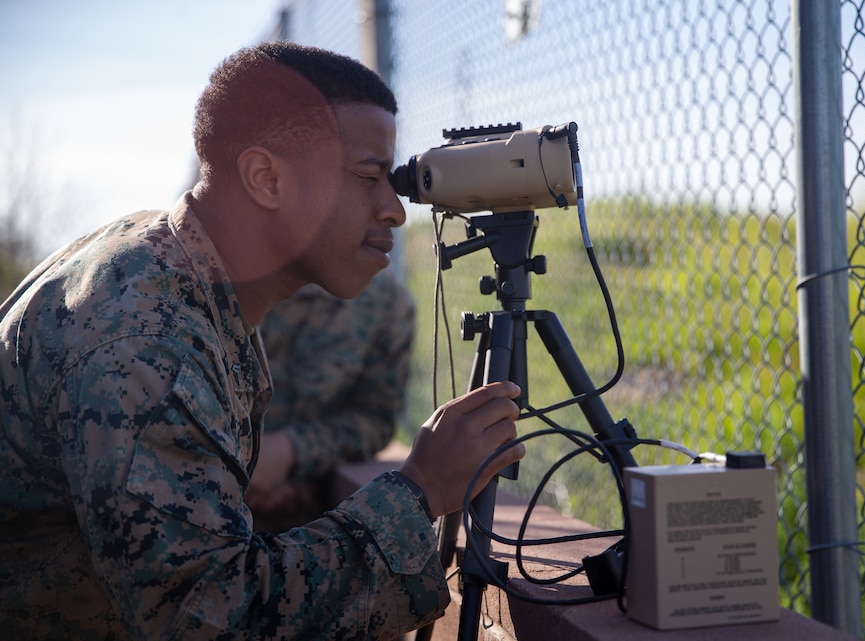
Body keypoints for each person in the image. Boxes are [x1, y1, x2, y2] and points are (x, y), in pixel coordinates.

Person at [0, 41, 524, 640]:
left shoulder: (164, 266)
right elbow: (210, 620)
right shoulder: (147, 338)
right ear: (266, 178)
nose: (395, 210)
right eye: (367, 177)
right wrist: (419, 490)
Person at [246, 270, 416, 530]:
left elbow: (375, 417)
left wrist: (291, 451)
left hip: (306, 525)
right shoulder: (230, 272)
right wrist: (237, 473)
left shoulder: (384, 301)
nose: (391, 226)